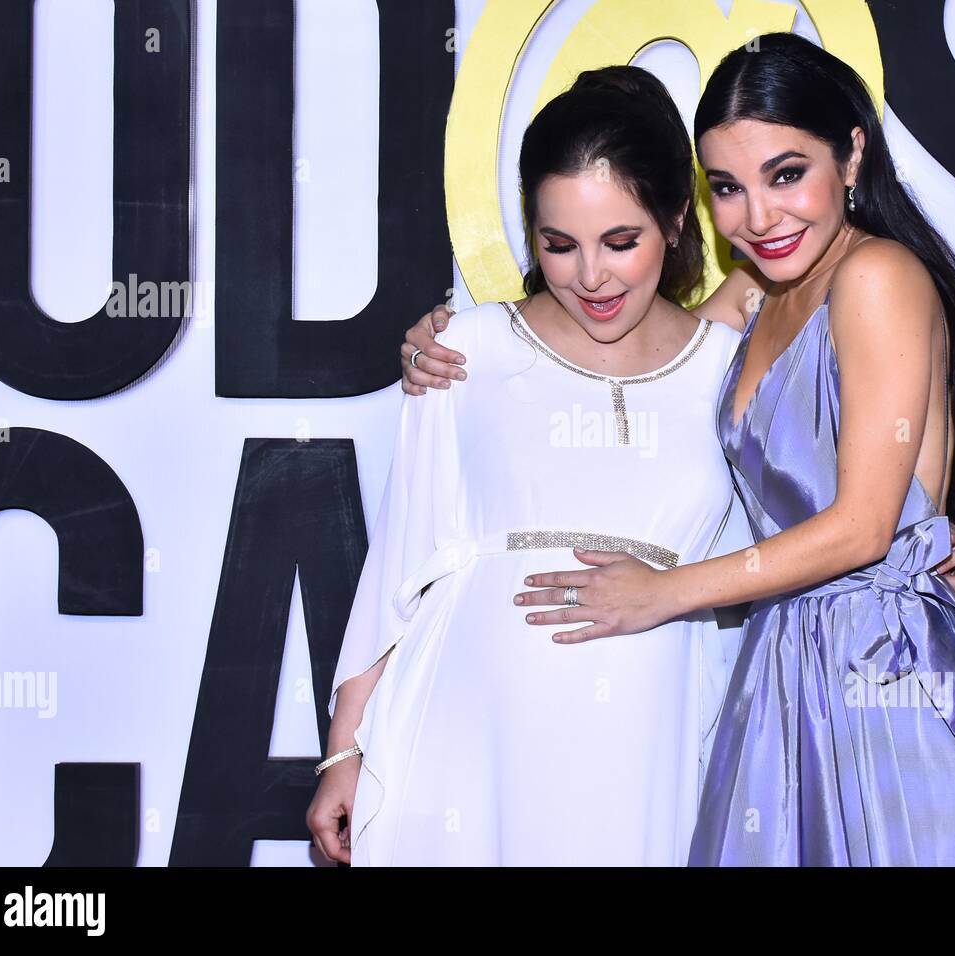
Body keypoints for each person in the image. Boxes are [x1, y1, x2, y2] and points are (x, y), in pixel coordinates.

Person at [307, 65, 753, 866]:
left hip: (651, 743)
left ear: (679, 219)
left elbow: (813, 529)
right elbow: (400, 565)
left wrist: (935, 537)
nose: (592, 276)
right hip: (469, 740)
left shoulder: (731, 372)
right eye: (560, 244)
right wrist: (346, 751)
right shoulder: (463, 353)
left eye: (622, 241)